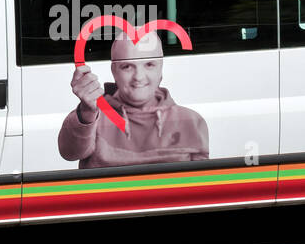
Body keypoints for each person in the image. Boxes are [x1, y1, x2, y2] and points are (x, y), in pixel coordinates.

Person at [58, 31, 209, 169]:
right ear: (114, 72)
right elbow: (70, 153)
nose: (139, 77)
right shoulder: (92, 117)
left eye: (149, 64)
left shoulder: (191, 121)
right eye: (127, 67)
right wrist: (87, 111)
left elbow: (201, 185)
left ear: (160, 70)